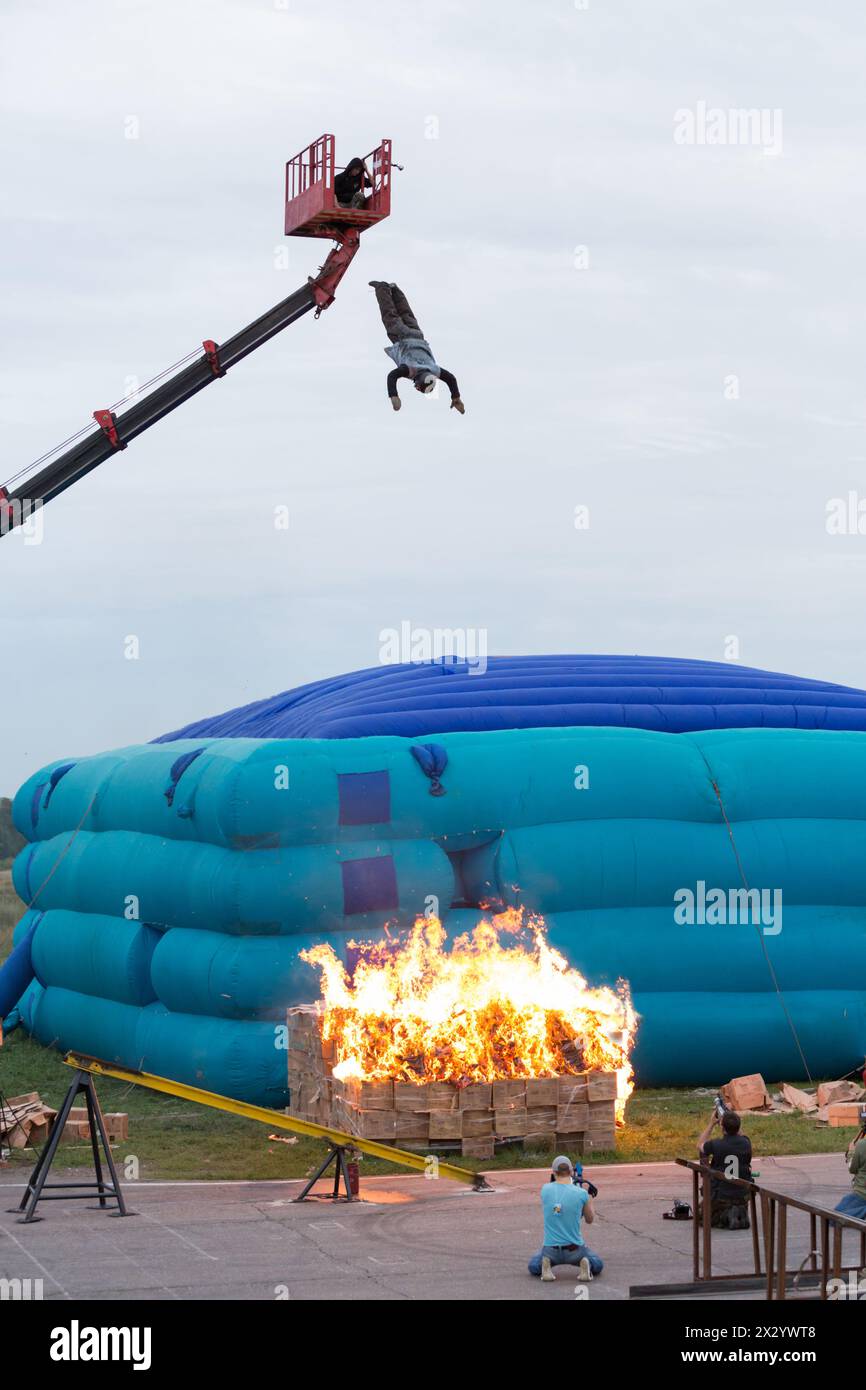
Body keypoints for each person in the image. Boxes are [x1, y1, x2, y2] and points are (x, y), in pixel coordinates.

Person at [369, 281, 465, 413]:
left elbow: (451, 379)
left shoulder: (434, 370)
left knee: (406, 313)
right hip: (401, 336)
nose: (416, 387)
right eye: (418, 387)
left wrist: (456, 397)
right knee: (389, 314)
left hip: (418, 335)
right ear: (419, 382)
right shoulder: (411, 370)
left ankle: (395, 289)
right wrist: (394, 396)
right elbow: (392, 376)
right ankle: (382, 287)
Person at [527, 1155, 604, 1282]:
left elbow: (558, 1197)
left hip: (550, 1250)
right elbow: (589, 1219)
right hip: (575, 1249)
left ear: (553, 1171)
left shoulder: (545, 1189)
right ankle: (584, 1263)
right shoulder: (581, 1193)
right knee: (597, 1264)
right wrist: (589, 1198)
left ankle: (546, 1265)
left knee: (533, 1266)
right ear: (571, 1171)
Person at [697, 1107, 753, 1230]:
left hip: (722, 1194)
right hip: (743, 1194)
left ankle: (727, 1216)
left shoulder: (716, 1144)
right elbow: (740, 1134)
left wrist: (711, 1124)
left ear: (722, 1128)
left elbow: (700, 1145)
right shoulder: (746, 1142)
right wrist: (732, 1119)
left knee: (701, 1216)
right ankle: (739, 1211)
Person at [834, 1113, 866, 1221]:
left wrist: (852, 1151)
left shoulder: (862, 1145)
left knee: (834, 1217)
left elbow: (852, 1168)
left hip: (863, 1193)